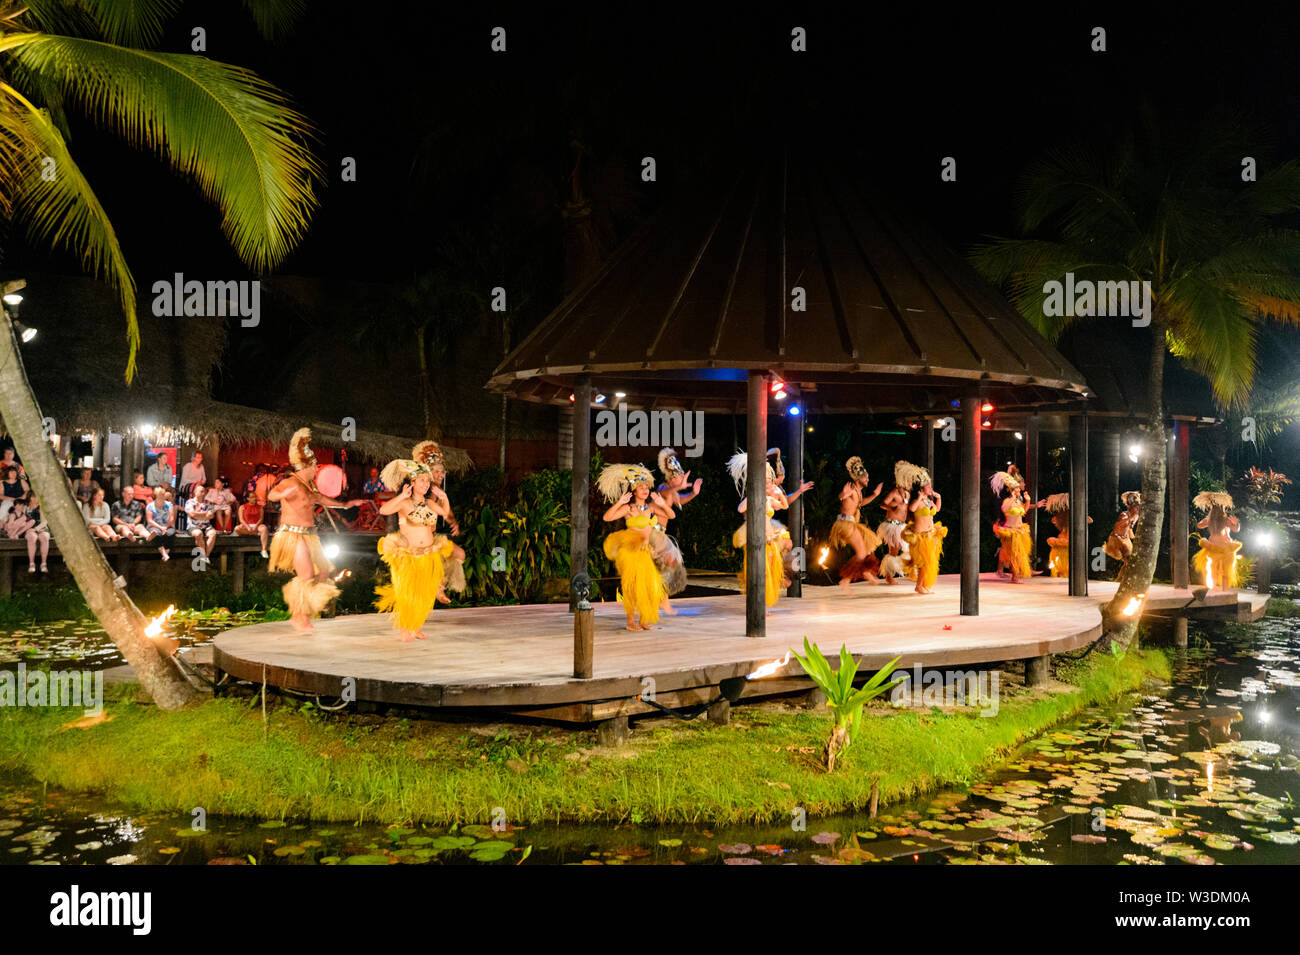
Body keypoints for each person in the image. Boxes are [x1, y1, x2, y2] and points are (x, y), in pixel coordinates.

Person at [267, 428, 360, 632]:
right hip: (292, 534)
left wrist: (343, 505)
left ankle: (304, 613)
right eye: (315, 465)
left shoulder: (310, 486)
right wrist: (286, 492)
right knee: (307, 574)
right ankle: (298, 617)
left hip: (310, 535)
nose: (317, 468)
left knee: (324, 571)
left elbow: (321, 499)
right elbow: (272, 495)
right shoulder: (290, 482)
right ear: (307, 466)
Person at [374, 456, 453, 641]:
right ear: (413, 482)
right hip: (408, 555)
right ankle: (404, 628)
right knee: (407, 593)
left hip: (428, 554)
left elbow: (445, 513)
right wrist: (401, 495)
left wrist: (444, 498)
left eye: (428, 481)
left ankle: (416, 627)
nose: (426, 484)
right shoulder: (404, 503)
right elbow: (383, 511)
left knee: (425, 594)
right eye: (422, 480)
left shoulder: (430, 504)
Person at [599, 463, 671, 630]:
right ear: (634, 491)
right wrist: (619, 502)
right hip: (630, 552)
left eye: (646, 487)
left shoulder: (650, 508)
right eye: (641, 487)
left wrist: (662, 503)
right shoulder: (629, 508)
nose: (645, 490)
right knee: (632, 587)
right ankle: (631, 622)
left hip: (645, 552)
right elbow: (607, 518)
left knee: (649, 587)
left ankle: (643, 620)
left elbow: (671, 515)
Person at [726, 451, 786, 609]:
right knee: (762, 573)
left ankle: (764, 604)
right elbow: (740, 509)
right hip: (757, 539)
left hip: (770, 539)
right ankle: (758, 606)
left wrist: (780, 494)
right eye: (765, 481)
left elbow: (785, 506)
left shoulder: (770, 499)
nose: (769, 483)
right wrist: (752, 497)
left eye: (769, 481)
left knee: (770, 572)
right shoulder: (753, 496)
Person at [830, 456, 884, 591]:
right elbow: (841, 496)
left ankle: (863, 574)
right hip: (845, 524)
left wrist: (875, 495)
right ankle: (847, 579)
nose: (868, 480)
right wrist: (843, 493)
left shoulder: (858, 492)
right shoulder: (852, 489)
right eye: (866, 478)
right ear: (859, 479)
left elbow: (860, 503)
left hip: (851, 523)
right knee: (861, 554)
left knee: (868, 548)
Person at [879, 461, 923, 583]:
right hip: (891, 525)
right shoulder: (894, 492)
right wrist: (891, 507)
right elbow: (883, 504)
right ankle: (889, 577)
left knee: (908, 548)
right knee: (894, 550)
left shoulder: (907, 495)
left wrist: (912, 520)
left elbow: (906, 510)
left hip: (902, 525)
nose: (910, 484)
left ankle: (911, 573)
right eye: (908, 481)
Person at [990, 467, 1036, 583]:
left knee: (1019, 554)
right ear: (1012, 491)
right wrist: (1013, 498)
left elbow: (1024, 511)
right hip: (1011, 531)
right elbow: (1005, 509)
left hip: (1020, 530)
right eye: (1017, 490)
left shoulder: (1017, 501)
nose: (1019, 491)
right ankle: (1014, 577)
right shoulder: (1007, 501)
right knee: (1015, 554)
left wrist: (1028, 501)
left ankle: (1015, 576)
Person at [904, 476, 945, 594]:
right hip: (921, 536)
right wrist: (919, 498)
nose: (931, 488)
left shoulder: (928, 501)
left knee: (928, 562)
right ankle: (918, 586)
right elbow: (911, 509)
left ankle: (923, 585)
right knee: (924, 562)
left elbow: (937, 509)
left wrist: (938, 498)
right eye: (928, 486)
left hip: (930, 534)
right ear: (921, 489)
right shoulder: (918, 501)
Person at [1193, 491, 1242, 590]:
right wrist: (1236, 523)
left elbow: (1199, 525)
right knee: (1220, 571)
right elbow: (1236, 529)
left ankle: (1218, 590)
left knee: (1218, 571)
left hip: (1218, 549)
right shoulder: (1217, 520)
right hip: (1220, 549)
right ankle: (1219, 590)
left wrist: (1236, 524)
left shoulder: (1220, 520)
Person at [1042, 493, 1091, 578]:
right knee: (1059, 567)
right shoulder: (1060, 516)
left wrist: (1080, 515)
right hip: (1061, 543)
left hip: (1068, 543)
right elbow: (1055, 521)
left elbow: (1090, 520)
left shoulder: (1073, 515)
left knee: (1068, 567)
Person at [1103, 491, 1141, 565]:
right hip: (1117, 538)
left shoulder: (1135, 514)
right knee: (1128, 559)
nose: (1136, 509)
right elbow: (1117, 528)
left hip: (1124, 538)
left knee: (1128, 560)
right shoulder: (1124, 515)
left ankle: (1123, 575)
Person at [143, 486, 176, 560]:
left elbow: (171, 518)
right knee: (156, 534)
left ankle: (166, 553)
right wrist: (161, 528)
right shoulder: (150, 506)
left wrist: (166, 527)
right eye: (160, 495)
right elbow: (150, 520)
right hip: (154, 525)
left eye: (163, 494)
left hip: (167, 525)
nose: (162, 496)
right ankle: (163, 553)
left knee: (170, 533)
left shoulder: (169, 505)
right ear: (156, 496)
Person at [185, 484, 218, 559]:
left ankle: (206, 556)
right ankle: (204, 557)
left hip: (206, 526)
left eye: (204, 492)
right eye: (201, 491)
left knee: (213, 534)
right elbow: (192, 514)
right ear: (195, 492)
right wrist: (205, 514)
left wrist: (197, 515)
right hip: (193, 526)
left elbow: (211, 516)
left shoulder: (209, 503)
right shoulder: (190, 502)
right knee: (198, 534)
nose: (203, 493)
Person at [234, 491, 270, 557]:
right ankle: (253, 533)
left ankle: (264, 549)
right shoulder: (242, 507)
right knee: (237, 528)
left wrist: (256, 526)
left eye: (255, 497)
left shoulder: (260, 507)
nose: (254, 498)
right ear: (248, 498)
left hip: (256, 525)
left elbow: (261, 519)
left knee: (264, 528)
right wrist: (247, 527)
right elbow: (241, 519)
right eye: (252, 497)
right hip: (246, 526)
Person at [24, 495, 50, 573]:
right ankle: (31, 564)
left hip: (41, 528)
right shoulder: (25, 508)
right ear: (30, 497)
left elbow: (45, 522)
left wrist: (36, 529)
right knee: (32, 537)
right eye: (34, 496)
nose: (36, 498)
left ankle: (43, 564)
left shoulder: (42, 507)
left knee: (44, 537)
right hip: (29, 529)